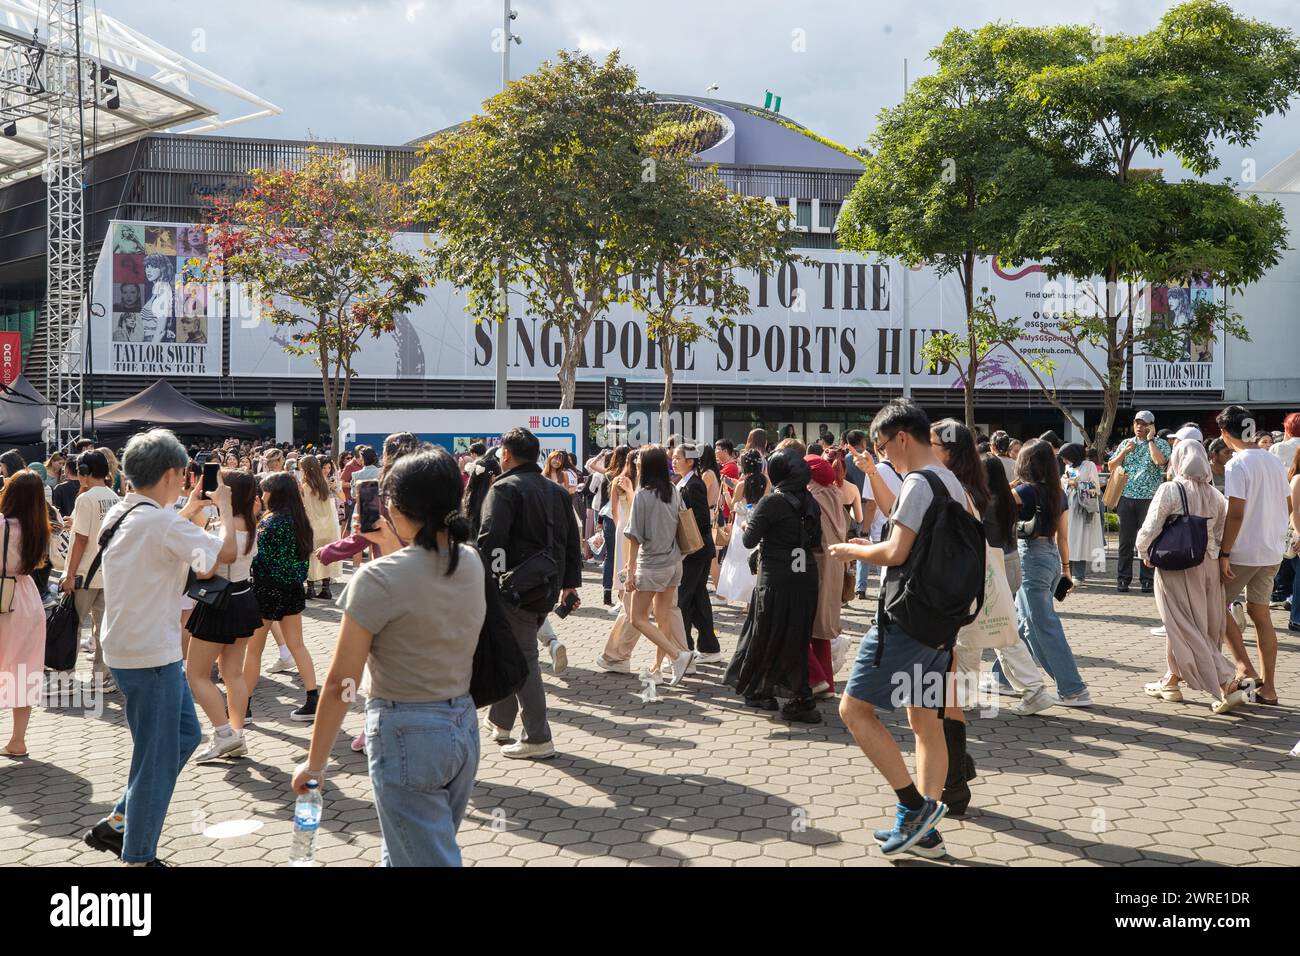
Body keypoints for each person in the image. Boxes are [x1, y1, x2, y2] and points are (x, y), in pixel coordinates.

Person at [293, 448, 484, 866]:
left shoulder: (377, 579)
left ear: (392, 506)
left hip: (407, 731)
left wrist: (315, 763)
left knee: (422, 854)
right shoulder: (469, 561)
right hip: (462, 726)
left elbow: (341, 682)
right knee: (409, 847)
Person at [83, 429, 237, 865]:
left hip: (130, 648)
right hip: (152, 654)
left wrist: (189, 507)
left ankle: (119, 822)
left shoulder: (125, 512)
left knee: (181, 737)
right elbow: (221, 556)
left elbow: (163, 533)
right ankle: (138, 853)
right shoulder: (162, 522)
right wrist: (223, 504)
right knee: (158, 757)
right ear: (174, 473)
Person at [829, 399, 962, 856]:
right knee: (926, 721)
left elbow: (896, 553)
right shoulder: (951, 483)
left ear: (902, 437)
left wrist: (854, 551)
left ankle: (913, 807)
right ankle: (925, 833)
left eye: (884, 447)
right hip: (941, 623)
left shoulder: (919, 484)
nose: (884, 455)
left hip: (904, 619)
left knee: (854, 711)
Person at [478, 427, 583, 759]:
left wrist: (484, 582)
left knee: (522, 655)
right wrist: (569, 586)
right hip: (546, 587)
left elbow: (490, 542)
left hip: (512, 589)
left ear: (506, 455)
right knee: (509, 648)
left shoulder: (504, 488)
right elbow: (570, 542)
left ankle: (538, 737)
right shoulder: (554, 491)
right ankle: (500, 722)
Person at [1135, 440, 1249, 714]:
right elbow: (1222, 535)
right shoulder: (1215, 495)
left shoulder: (1170, 489)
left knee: (1182, 626)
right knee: (1204, 627)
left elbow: (1150, 528)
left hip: (1177, 566)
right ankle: (1171, 682)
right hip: (1209, 566)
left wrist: (1143, 551)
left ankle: (1227, 681)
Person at [724, 447, 822, 723]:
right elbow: (815, 542)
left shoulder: (772, 502)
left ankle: (760, 690)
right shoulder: (810, 500)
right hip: (805, 577)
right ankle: (800, 698)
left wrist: (746, 525)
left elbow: (748, 541)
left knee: (765, 633)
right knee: (796, 637)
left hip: (776, 578)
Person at [184, 469, 263, 761]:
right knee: (233, 674)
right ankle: (237, 734)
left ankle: (223, 734)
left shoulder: (229, 529)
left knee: (196, 675)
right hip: (243, 597)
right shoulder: (248, 524)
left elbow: (206, 571)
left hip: (219, 602)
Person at [1216, 405, 1290, 706]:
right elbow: (1287, 505)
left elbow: (1235, 513)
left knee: (1214, 605)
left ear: (1224, 434)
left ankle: (1244, 665)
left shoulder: (1237, 464)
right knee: (1261, 615)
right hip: (1271, 550)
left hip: (1243, 550)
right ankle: (1269, 688)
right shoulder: (1272, 460)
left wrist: (1224, 551)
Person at [1014, 439, 1092, 706]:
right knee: (1024, 623)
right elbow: (1063, 538)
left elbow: (995, 512)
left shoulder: (1023, 492)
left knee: (1042, 625)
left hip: (1029, 557)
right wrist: (1066, 570)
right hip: (1050, 556)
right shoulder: (1057, 493)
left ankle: (1073, 689)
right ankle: (1003, 678)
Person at [981, 453, 1058, 716]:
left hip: (993, 569)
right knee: (994, 632)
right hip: (1011, 564)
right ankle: (965, 694)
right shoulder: (1005, 498)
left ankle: (1034, 689)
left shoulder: (989, 503)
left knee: (1003, 633)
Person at [242, 472, 318, 722]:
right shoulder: (300, 519)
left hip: (265, 590)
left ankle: (243, 706)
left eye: (265, 491)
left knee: (253, 651)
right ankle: (312, 698)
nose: (262, 496)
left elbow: (255, 556)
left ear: (275, 493)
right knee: (297, 645)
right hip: (293, 588)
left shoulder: (268, 522)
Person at [620, 445, 695, 684]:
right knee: (663, 617)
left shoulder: (642, 495)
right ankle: (658, 668)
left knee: (637, 618)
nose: (636, 463)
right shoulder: (673, 490)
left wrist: (630, 570)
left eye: (640, 460)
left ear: (647, 466)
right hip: (674, 563)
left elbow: (633, 536)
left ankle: (677, 656)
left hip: (651, 565)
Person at [0, 470, 51, 758]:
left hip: (3, 597)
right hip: (28, 599)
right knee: (24, 669)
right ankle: (18, 740)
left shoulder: (1, 524)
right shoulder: (39, 527)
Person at [59, 451, 120, 692]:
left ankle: (66, 677)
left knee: (71, 625)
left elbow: (82, 540)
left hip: (84, 574)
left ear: (85, 471)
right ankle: (102, 677)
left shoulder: (85, 499)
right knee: (102, 628)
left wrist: (70, 574)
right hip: (107, 574)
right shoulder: (114, 497)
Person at [807, 449, 857, 696]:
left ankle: (816, 679)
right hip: (836, 567)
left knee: (802, 625)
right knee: (821, 631)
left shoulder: (812, 498)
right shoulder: (835, 495)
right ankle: (826, 683)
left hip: (817, 568)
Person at [1108, 410, 1170, 593]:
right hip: (1126, 497)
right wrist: (1124, 452)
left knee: (1148, 539)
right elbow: (1111, 466)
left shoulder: (1160, 444)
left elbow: (1160, 461)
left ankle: (1147, 579)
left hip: (1150, 498)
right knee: (1125, 541)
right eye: (1137, 423)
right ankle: (1123, 578)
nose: (1139, 427)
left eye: (1144, 424)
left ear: (1151, 425)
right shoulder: (1126, 443)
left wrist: (1150, 441)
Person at [671, 443, 721, 662]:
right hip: (696, 551)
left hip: (695, 551)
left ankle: (686, 648)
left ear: (690, 461)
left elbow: (701, 520)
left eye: (677, 458)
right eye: (672, 457)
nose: (673, 461)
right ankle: (708, 647)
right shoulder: (685, 482)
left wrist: (688, 545)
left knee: (684, 598)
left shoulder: (694, 485)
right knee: (697, 598)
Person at [715, 449, 763, 606]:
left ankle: (743, 595)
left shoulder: (742, 484)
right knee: (755, 558)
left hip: (741, 523)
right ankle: (752, 598)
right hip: (757, 521)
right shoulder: (765, 481)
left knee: (740, 558)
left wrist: (727, 493)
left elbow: (734, 506)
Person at [299, 454, 341, 600]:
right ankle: (326, 588)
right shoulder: (326, 483)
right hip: (329, 524)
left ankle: (310, 588)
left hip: (313, 524)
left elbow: (305, 506)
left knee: (311, 555)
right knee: (326, 555)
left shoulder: (305, 485)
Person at [1061, 443, 1103, 582]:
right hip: (1069, 507)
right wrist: (1066, 482)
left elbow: (1095, 487)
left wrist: (1077, 484)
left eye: (1066, 457)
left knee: (1081, 540)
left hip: (1083, 509)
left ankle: (1079, 574)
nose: (1064, 461)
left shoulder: (1089, 465)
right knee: (1069, 539)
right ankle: (1068, 571)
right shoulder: (1068, 467)